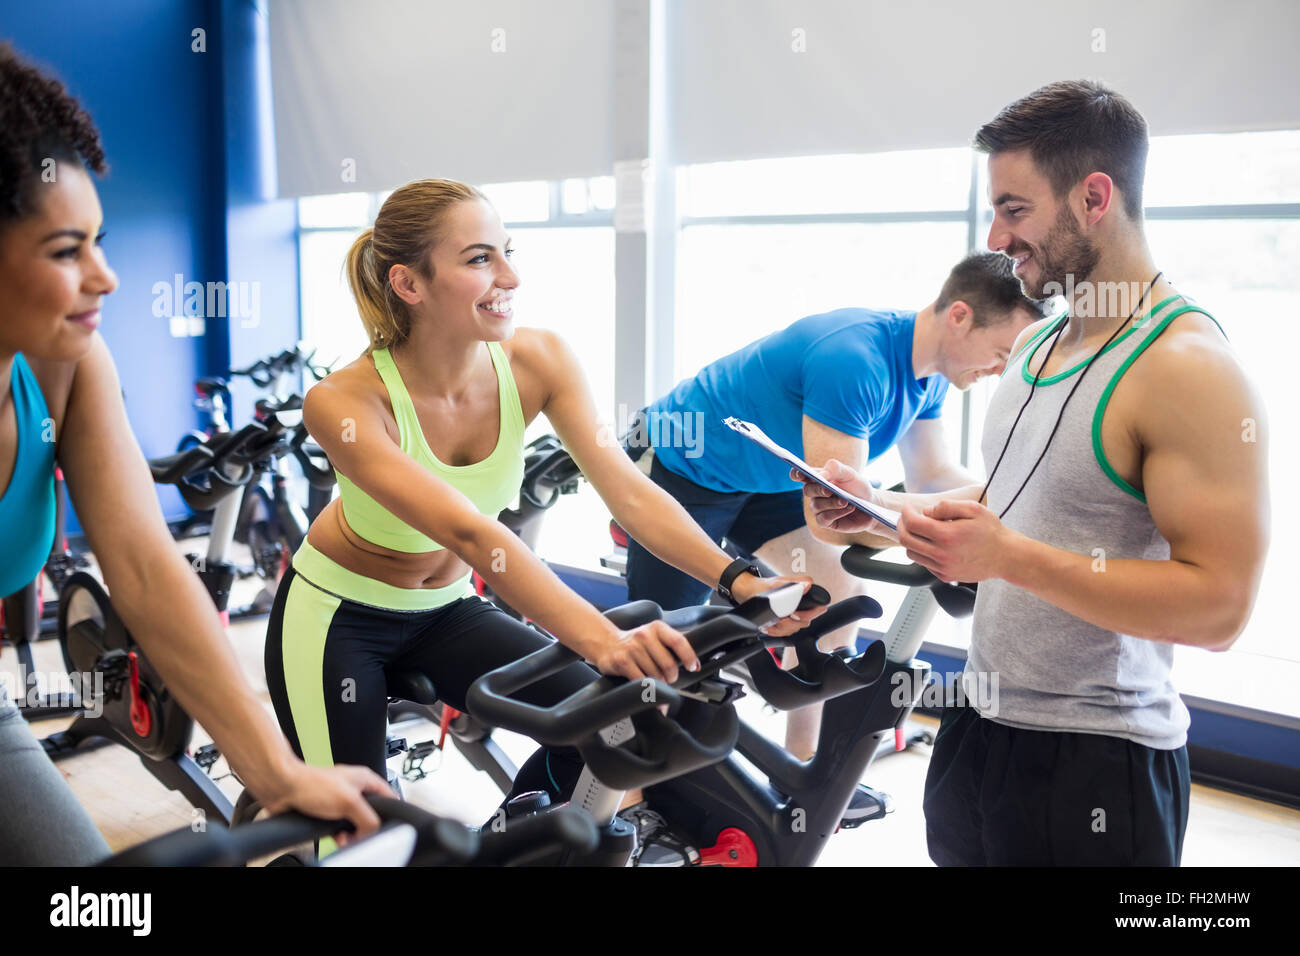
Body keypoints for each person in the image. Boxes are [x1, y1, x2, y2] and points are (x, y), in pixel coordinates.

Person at [263, 178, 823, 842]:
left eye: (507, 251)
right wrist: (602, 639)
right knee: (359, 832)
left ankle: (505, 851)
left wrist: (740, 579)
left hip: (444, 610)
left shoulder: (538, 359)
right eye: (479, 259)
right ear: (409, 285)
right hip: (337, 620)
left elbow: (631, 491)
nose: (510, 276)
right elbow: (468, 530)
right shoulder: (345, 403)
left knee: (611, 726)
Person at [799, 80, 1269, 865]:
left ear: (1093, 197)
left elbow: (1220, 610)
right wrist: (880, 504)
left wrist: (1008, 557)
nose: (996, 236)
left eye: (1015, 210)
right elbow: (1022, 498)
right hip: (980, 730)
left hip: (1100, 760)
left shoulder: (1189, 370)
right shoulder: (1035, 347)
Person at [0, 42, 389, 866]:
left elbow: (142, 565)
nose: (105, 277)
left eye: (99, 241)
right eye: (67, 251)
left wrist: (277, 771)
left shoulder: (65, 369)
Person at [623, 252, 1045, 823]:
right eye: (1002, 354)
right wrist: (958, 527)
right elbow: (836, 514)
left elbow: (933, 478)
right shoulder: (856, 360)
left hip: (770, 481)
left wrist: (1017, 505)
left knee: (833, 595)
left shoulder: (930, 378)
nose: (1003, 370)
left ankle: (804, 772)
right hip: (684, 468)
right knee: (661, 642)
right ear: (960, 317)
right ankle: (626, 802)